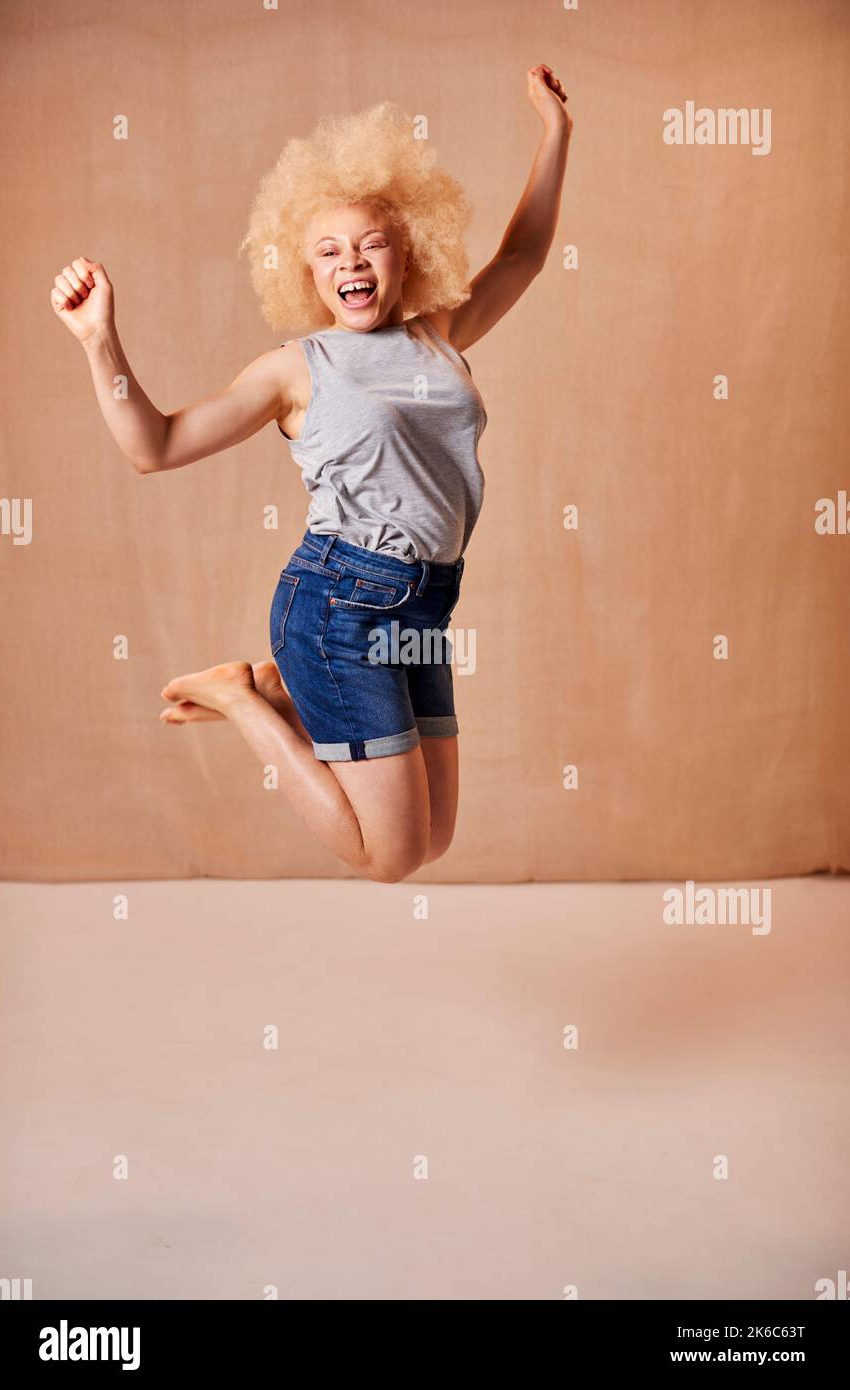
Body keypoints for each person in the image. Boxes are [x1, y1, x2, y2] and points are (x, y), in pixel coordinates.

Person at [50, 67, 573, 883]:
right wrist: (98, 341)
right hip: (340, 604)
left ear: (409, 251)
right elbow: (152, 446)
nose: (351, 262)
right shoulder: (297, 369)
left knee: (434, 839)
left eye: (371, 242)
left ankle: (277, 688)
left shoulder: (440, 335)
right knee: (390, 856)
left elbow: (528, 253)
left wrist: (554, 131)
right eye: (327, 251)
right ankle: (243, 696)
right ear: (305, 272)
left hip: (427, 602)